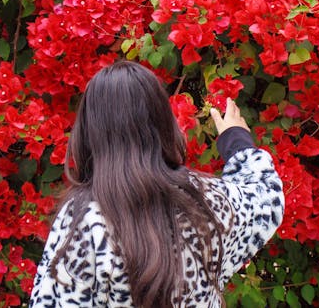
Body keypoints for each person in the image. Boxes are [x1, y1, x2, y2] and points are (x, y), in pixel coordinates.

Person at [29, 60, 285, 307]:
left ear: (89, 131)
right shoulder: (205, 199)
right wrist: (236, 140)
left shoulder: (85, 219)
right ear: (164, 122)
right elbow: (264, 198)